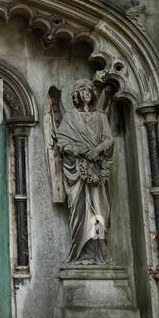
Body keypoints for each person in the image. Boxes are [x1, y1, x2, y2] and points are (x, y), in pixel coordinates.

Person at [56, 79, 114, 263]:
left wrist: (97, 150)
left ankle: (99, 253)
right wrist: (80, 150)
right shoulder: (70, 118)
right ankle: (82, 253)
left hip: (96, 171)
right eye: (82, 90)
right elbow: (62, 143)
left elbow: (109, 139)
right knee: (80, 213)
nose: (86, 93)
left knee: (98, 211)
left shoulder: (100, 116)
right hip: (77, 174)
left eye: (89, 90)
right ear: (76, 95)